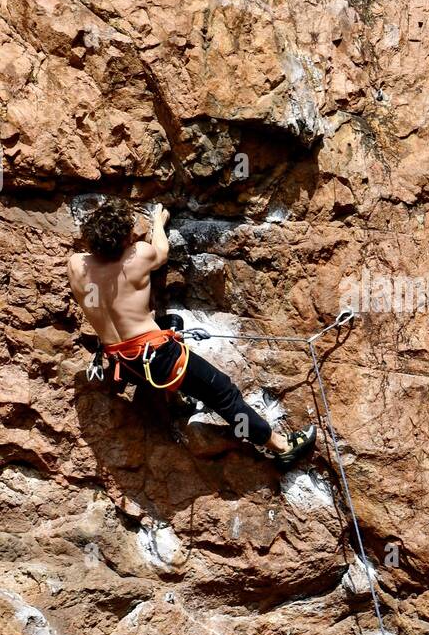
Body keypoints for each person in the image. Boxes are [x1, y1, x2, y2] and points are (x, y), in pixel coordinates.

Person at [68, 197, 316, 465]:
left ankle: (174, 395)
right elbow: (160, 252)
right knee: (223, 392)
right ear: (126, 239)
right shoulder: (138, 256)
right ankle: (280, 447)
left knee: (172, 322)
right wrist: (157, 222)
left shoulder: (76, 266)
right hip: (160, 359)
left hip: (124, 364)